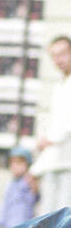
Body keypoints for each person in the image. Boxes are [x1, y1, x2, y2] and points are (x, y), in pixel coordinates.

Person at [30, 35, 71, 214]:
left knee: (64, 216)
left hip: (68, 162)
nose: (58, 60)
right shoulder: (59, 85)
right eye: (54, 56)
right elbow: (54, 120)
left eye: (63, 54)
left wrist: (51, 137)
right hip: (54, 161)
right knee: (48, 215)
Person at [0, 146, 38, 228]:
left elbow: (34, 199)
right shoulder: (11, 184)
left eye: (19, 163)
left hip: (24, 223)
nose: (14, 166)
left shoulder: (29, 181)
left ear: (28, 165)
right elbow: (5, 204)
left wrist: (33, 185)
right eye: (12, 163)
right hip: (10, 224)